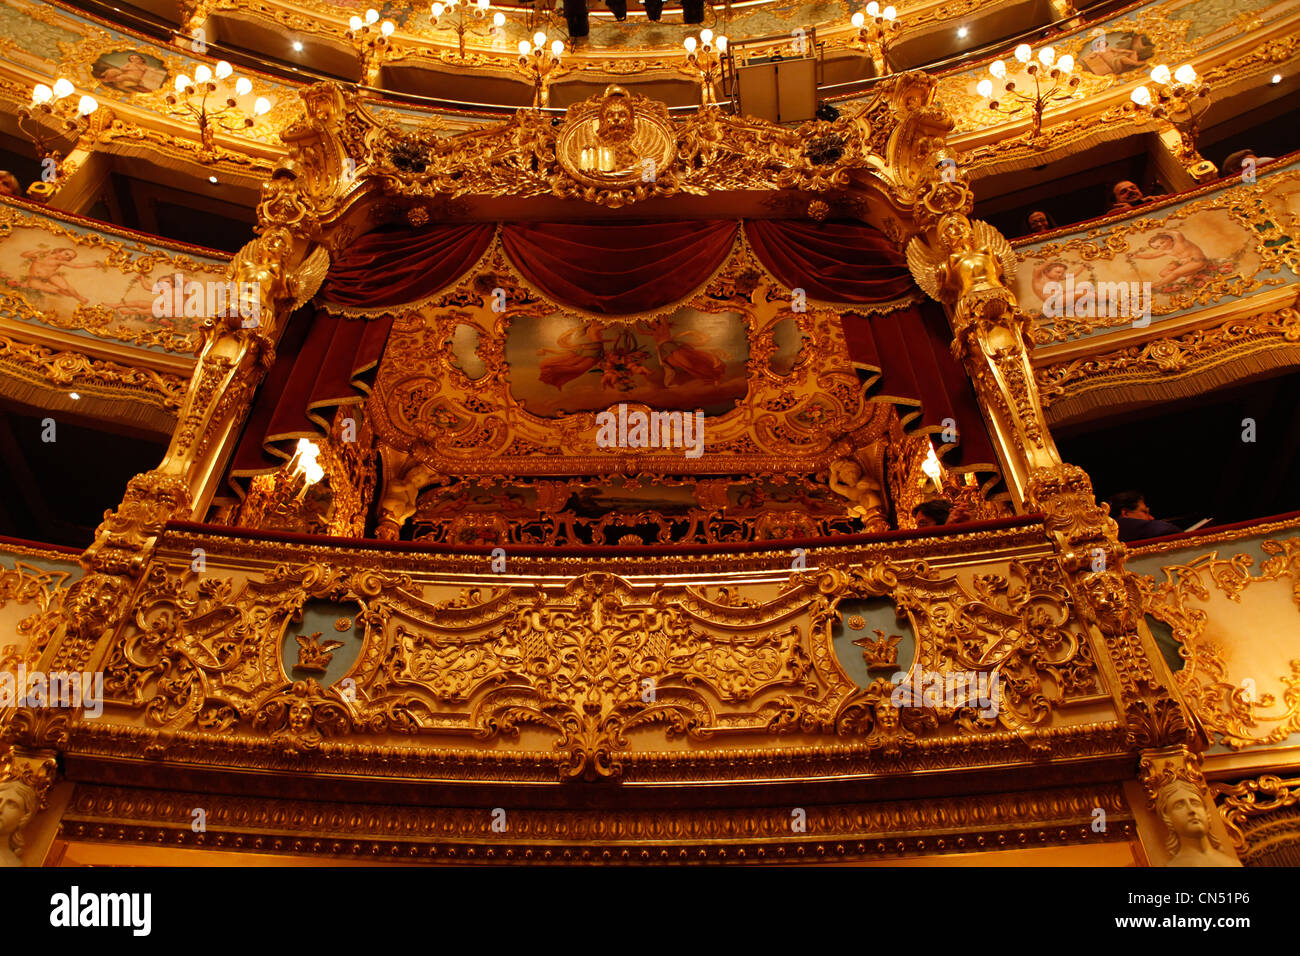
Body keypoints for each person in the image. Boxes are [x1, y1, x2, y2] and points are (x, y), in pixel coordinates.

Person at [1108, 490, 1181, 541]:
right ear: (1125, 513)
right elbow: (1166, 529)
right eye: (1144, 512)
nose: (1151, 518)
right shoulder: (1120, 525)